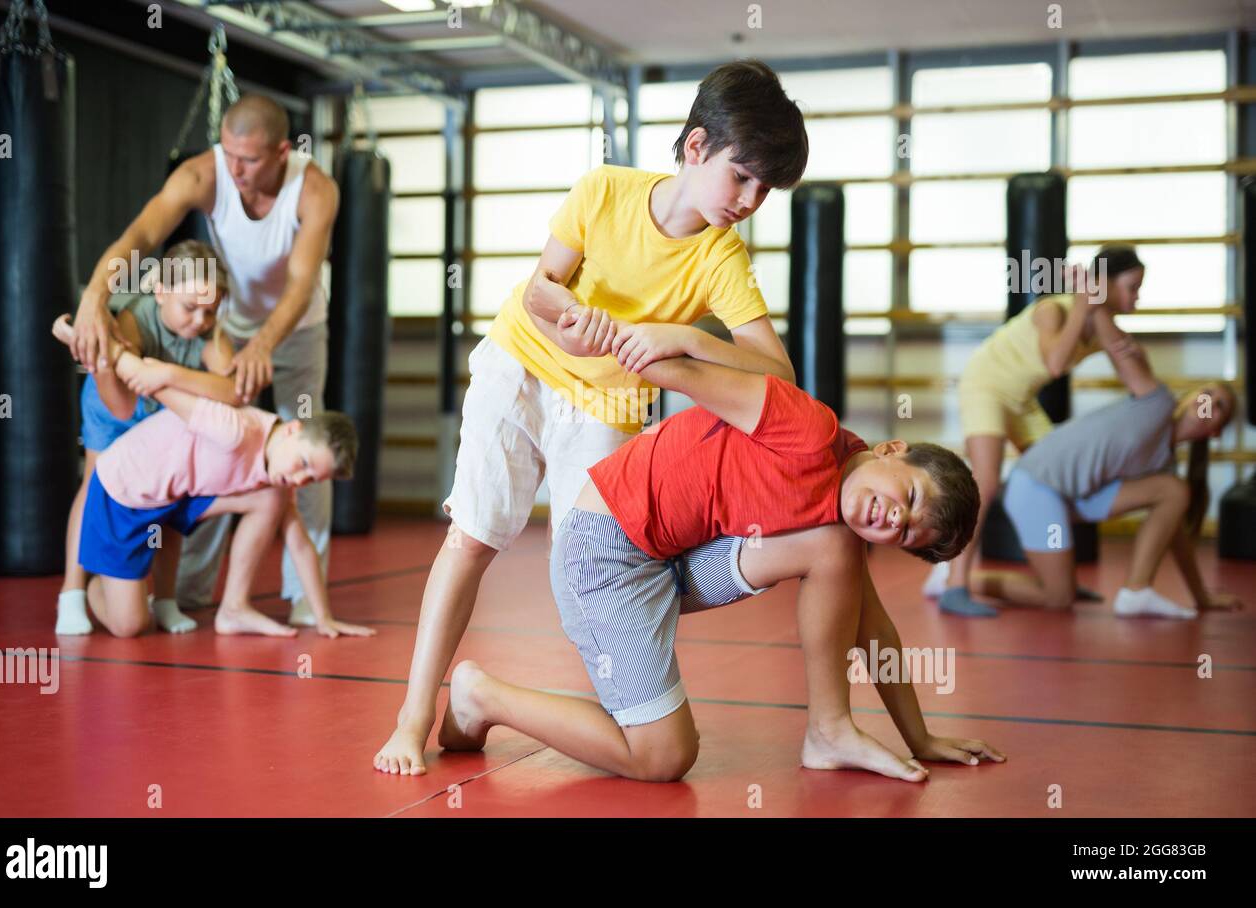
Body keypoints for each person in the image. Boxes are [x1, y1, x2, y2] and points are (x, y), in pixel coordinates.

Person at [375, 60, 810, 775]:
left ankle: (527, 703)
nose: (751, 199)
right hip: (520, 364)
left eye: (767, 189)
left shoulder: (721, 256)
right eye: (743, 176)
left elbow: (778, 373)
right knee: (474, 536)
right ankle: (412, 716)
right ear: (696, 147)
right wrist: (572, 319)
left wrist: (689, 337)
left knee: (596, 563)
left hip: (607, 401)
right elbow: (542, 287)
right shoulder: (604, 189)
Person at [380, 330, 1002, 782]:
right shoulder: (811, 432)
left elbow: (876, 628)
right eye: (910, 498)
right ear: (893, 448)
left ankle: (827, 731)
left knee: (835, 549)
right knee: (663, 757)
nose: (893, 520)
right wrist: (643, 339)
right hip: (605, 553)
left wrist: (918, 737)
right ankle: (480, 696)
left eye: (906, 535)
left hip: (668, 560)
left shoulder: (837, 524)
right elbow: (680, 372)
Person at [66, 94, 340, 628]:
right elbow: (141, 237)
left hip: (298, 329)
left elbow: (304, 281)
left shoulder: (314, 189)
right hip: (225, 322)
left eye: (251, 160)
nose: (235, 169)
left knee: (305, 452)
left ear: (283, 152)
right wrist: (94, 296)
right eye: (229, 155)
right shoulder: (201, 175)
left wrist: (264, 344)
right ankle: (189, 590)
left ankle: (304, 594)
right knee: (215, 442)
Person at [51, 316, 371, 640]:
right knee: (130, 627)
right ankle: (95, 586)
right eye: (303, 463)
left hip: (177, 492)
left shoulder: (281, 475)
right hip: (126, 490)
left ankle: (234, 608)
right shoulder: (234, 430)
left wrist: (323, 618)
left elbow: (300, 545)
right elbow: (153, 384)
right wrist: (89, 341)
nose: (300, 478)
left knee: (272, 500)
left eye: (312, 479)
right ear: (292, 428)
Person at [929, 245, 1149, 616]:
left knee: (1058, 478)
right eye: (1132, 286)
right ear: (1105, 283)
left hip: (1021, 401)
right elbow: (1056, 362)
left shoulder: (1098, 323)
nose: (1137, 297)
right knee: (986, 480)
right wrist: (1082, 303)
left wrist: (1095, 309)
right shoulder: (1054, 310)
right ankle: (953, 583)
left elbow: (1136, 363)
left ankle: (1058, 574)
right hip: (986, 384)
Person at [967, 352, 1239, 617]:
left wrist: (1201, 596)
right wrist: (1096, 308)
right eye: (1207, 393)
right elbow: (1124, 353)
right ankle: (959, 580)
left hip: (1069, 498)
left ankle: (1136, 591)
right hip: (1037, 489)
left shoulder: (1164, 468)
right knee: (1058, 597)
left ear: (1215, 432)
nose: (1209, 402)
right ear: (1191, 396)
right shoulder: (1156, 405)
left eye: (1220, 406)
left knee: (1174, 491)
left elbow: (1173, 533)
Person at [56, 240, 238, 636]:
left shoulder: (211, 332)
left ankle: (166, 598)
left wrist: (170, 375)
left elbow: (233, 391)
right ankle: (72, 591)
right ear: (160, 291)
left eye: (210, 310)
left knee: (170, 496)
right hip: (117, 400)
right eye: (190, 308)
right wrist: (111, 361)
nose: (200, 320)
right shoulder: (134, 321)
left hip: (163, 403)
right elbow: (122, 404)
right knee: (94, 482)